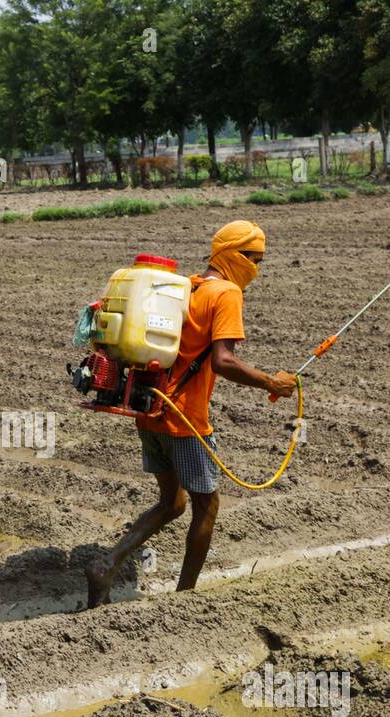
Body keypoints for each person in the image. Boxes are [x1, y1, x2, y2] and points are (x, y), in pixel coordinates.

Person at [86, 220, 297, 608]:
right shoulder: (226, 293)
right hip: (185, 420)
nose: (257, 268)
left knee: (173, 503)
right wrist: (271, 382)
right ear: (233, 255)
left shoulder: (187, 286)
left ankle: (107, 563)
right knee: (207, 505)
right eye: (255, 259)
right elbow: (223, 361)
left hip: (150, 410)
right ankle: (186, 599)